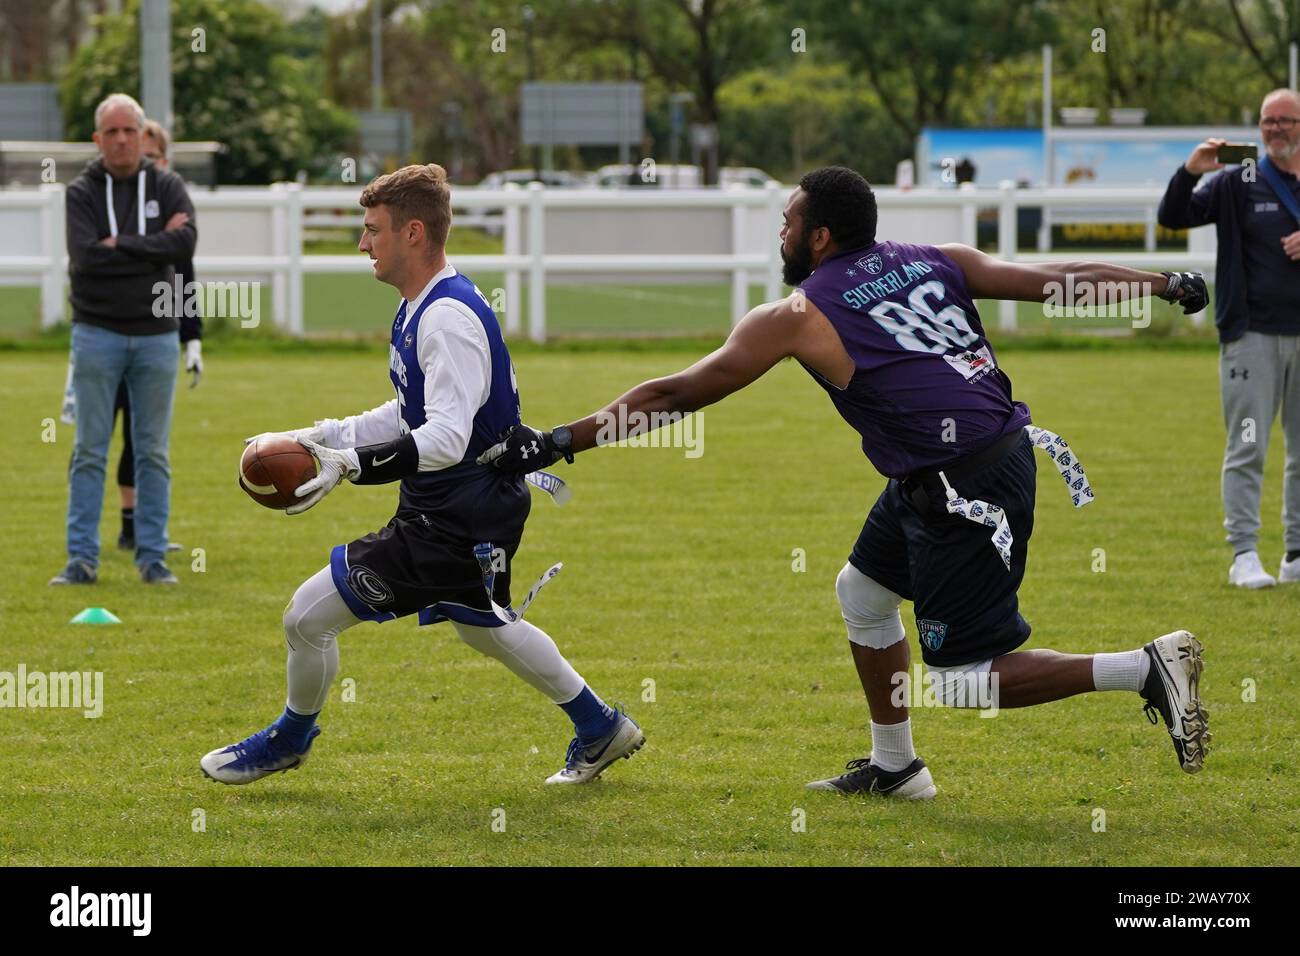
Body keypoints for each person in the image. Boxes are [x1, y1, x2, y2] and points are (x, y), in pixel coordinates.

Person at [481, 166, 1212, 798]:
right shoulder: (936, 257)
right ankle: (896, 767)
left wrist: (556, 442)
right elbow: (1056, 284)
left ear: (820, 236)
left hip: (963, 484)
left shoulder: (799, 313)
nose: (780, 234)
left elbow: (679, 394)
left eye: (788, 221)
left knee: (960, 678)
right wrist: (1162, 282)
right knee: (862, 593)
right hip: (966, 462)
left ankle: (1143, 668)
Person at [199, 164, 643, 786]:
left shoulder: (445, 318)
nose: (361, 243)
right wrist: (322, 436)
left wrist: (348, 467)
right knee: (483, 626)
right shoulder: (421, 307)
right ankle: (600, 726)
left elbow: (445, 438)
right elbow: (410, 412)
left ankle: (289, 740)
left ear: (412, 233)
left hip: (455, 516)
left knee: (306, 617)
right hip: (468, 506)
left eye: (372, 230)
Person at [51, 93, 196, 586]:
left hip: (156, 337)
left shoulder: (168, 184)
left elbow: (185, 243)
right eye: (110, 132)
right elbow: (87, 258)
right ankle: (81, 560)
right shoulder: (80, 193)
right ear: (97, 140)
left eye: (128, 131)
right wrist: (152, 248)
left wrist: (122, 245)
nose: (120, 140)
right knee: (89, 450)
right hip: (95, 334)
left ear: (141, 135)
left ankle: (153, 558)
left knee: (153, 450)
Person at [1158, 88, 1300, 588]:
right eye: (1268, 121)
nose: (1276, 129)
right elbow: (1173, 217)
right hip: (1251, 336)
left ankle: (1296, 553)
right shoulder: (1240, 177)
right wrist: (1193, 168)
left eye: (1286, 120)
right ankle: (1244, 555)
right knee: (1248, 445)